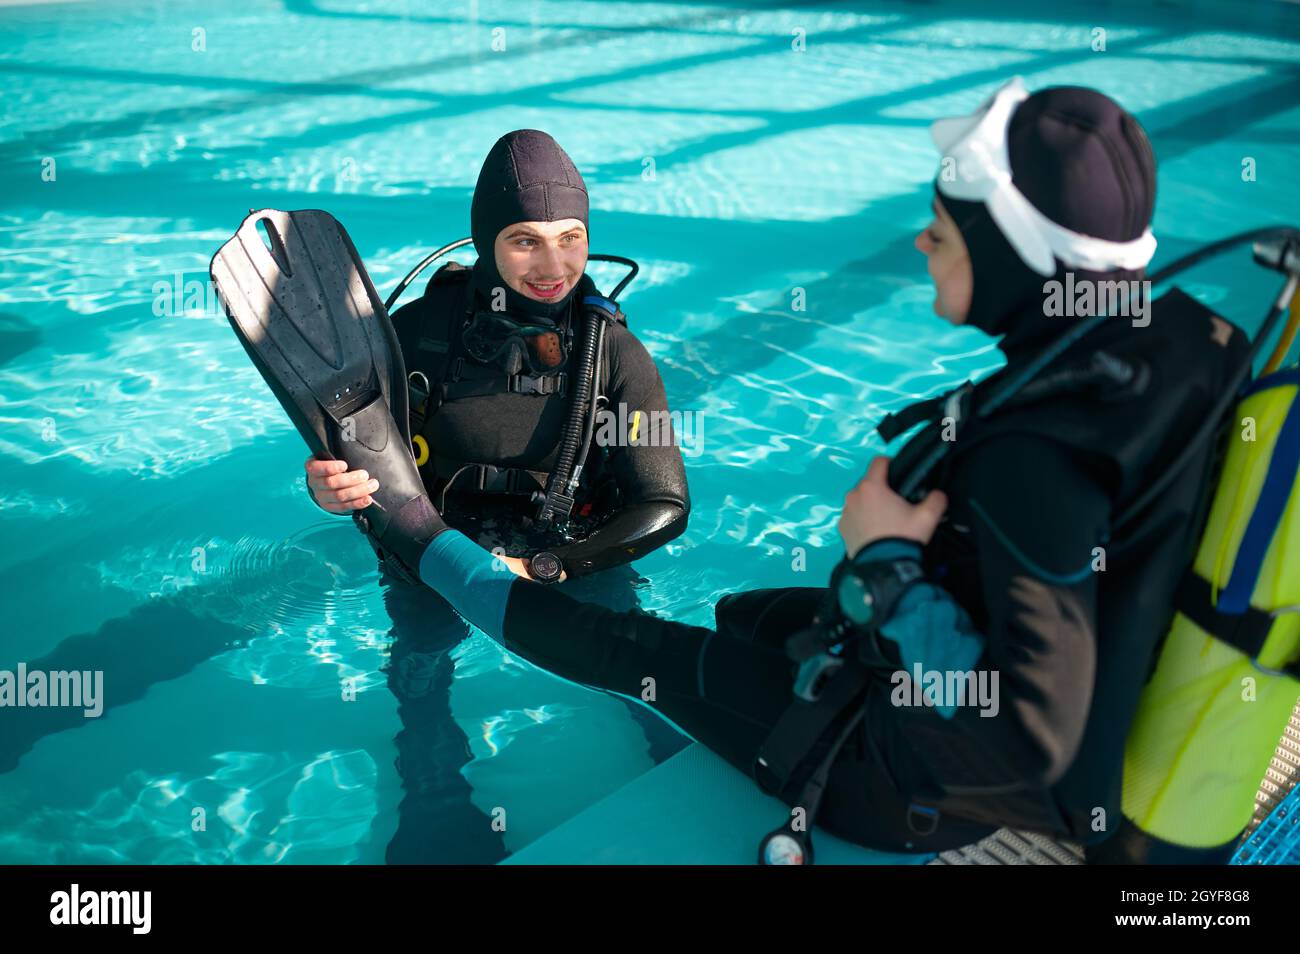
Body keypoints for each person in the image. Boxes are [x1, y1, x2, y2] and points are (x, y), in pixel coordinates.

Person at [376, 79, 1253, 860]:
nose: (918, 243)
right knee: (744, 617)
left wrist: (889, 567)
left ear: (1009, 250)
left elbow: (1029, 743)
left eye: (943, 230)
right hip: (912, 675)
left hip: (898, 773)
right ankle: (447, 769)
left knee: (629, 650)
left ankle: (637, 754)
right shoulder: (1168, 351)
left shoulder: (1034, 455)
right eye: (524, 240)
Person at [284, 129, 693, 861]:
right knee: (422, 664)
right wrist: (329, 490)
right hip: (435, 545)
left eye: (572, 238)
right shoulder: (414, 337)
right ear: (485, 240)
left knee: (630, 663)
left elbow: (662, 504)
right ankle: (434, 798)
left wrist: (551, 569)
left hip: (575, 551)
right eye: (524, 241)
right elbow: (358, 458)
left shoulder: (618, 354)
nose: (555, 265)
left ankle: (687, 756)